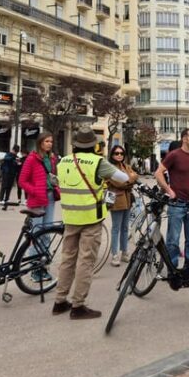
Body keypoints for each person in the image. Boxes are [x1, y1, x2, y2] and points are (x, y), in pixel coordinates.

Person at [53, 127, 128, 319]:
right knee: (86, 261)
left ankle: (60, 301)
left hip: (70, 216)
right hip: (91, 218)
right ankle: (78, 305)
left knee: (67, 258)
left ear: (75, 144)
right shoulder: (97, 162)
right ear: (93, 145)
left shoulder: (63, 161)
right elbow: (123, 177)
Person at [155, 129, 189, 268]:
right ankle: (173, 268)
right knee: (173, 240)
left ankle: (188, 267)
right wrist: (169, 190)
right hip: (177, 204)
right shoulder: (174, 155)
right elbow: (158, 173)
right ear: (184, 139)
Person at [18, 132, 60, 282]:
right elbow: (22, 181)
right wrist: (35, 190)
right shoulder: (31, 159)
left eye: (51, 141)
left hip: (49, 197)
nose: (49, 144)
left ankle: (43, 266)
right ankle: (34, 269)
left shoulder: (52, 158)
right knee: (36, 234)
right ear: (40, 142)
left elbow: (53, 177)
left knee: (47, 232)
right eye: (47, 141)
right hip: (36, 200)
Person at [107, 146, 140, 266]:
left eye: (121, 153)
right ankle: (114, 254)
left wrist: (129, 180)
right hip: (116, 200)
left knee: (125, 227)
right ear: (112, 155)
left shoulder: (126, 166)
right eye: (116, 153)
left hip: (127, 200)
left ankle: (124, 252)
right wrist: (129, 180)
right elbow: (118, 183)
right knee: (116, 228)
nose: (119, 155)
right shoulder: (110, 168)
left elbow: (135, 176)